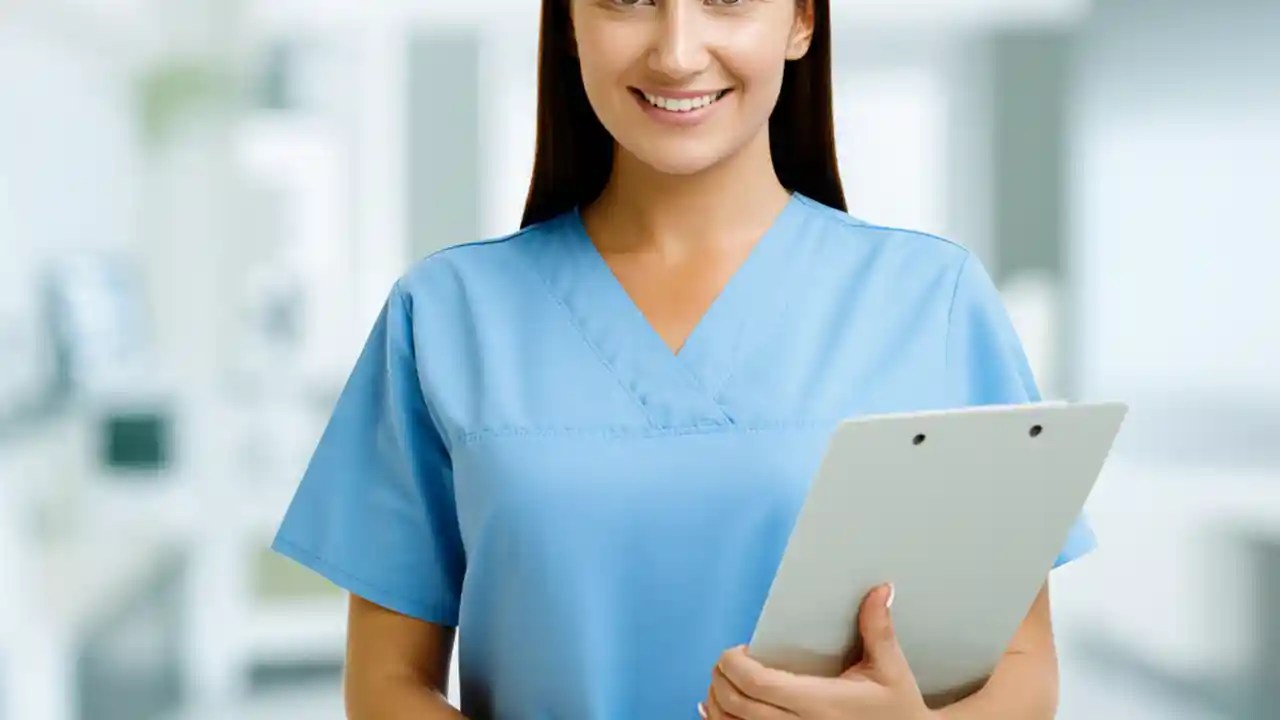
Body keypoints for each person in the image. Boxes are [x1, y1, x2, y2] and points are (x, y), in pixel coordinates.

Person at [270, 0, 1097, 718]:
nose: (675, 51)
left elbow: (1024, 668)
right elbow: (384, 683)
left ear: (800, 20)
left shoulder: (929, 301)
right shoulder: (447, 314)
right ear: (568, 22)